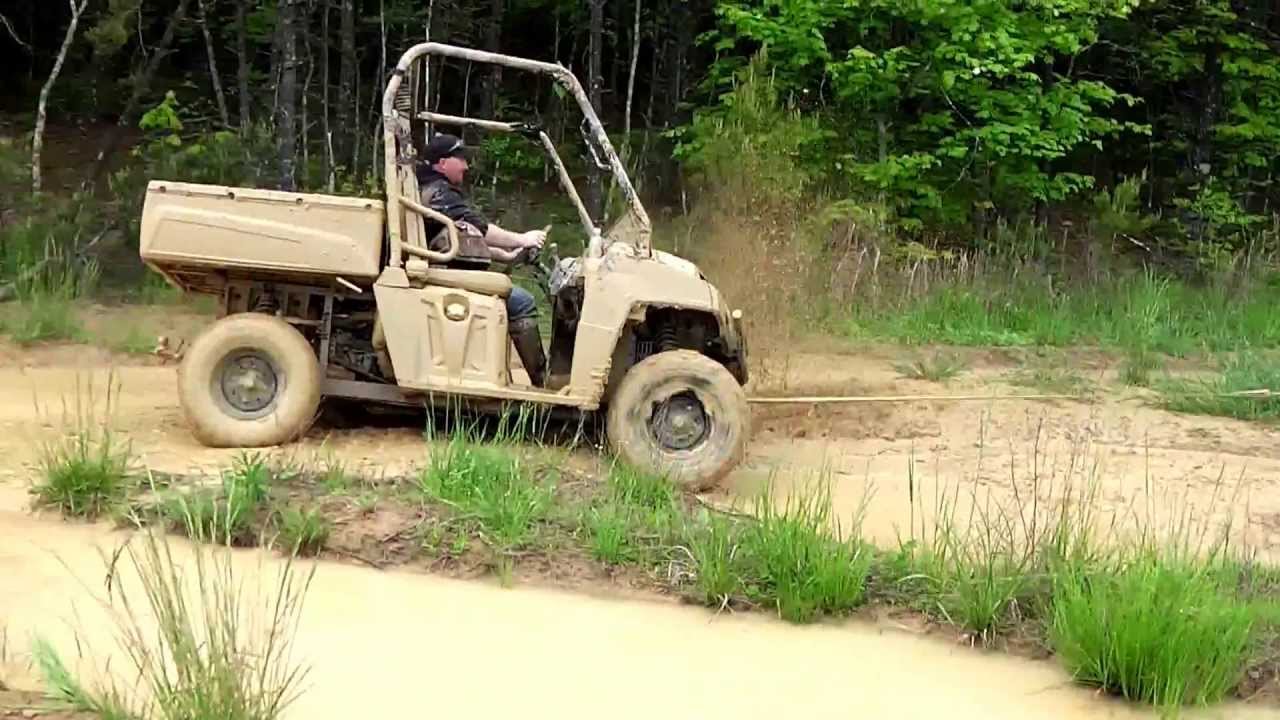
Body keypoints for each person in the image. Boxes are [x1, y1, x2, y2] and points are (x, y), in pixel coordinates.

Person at [415, 132, 549, 387]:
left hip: (444, 263)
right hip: (442, 270)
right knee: (522, 301)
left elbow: (468, 236)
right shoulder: (439, 194)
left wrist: (506, 254)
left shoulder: (435, 190)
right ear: (442, 163)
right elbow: (481, 228)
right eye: (460, 158)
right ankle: (544, 380)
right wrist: (523, 239)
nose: (466, 165)